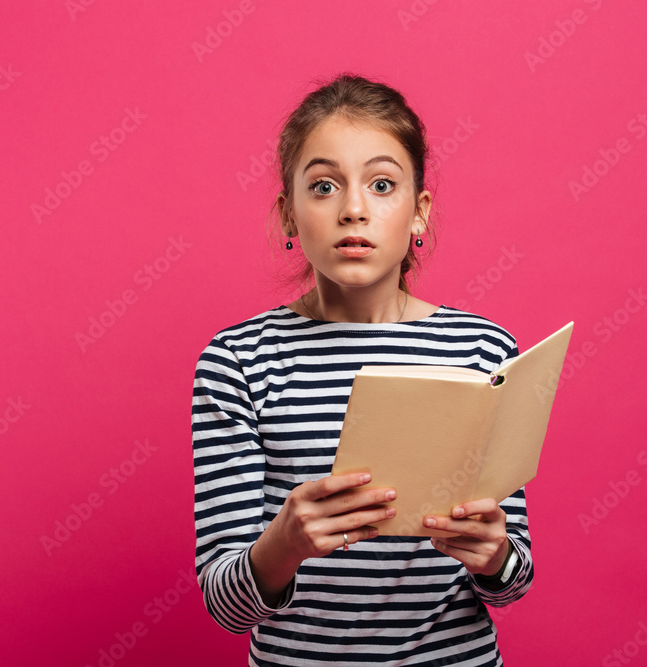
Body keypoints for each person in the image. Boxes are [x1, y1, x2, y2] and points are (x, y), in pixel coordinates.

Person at [192, 72, 533, 666]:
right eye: (323, 186)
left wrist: (494, 554)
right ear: (290, 215)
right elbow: (226, 607)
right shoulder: (237, 360)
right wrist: (283, 544)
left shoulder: (484, 350)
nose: (354, 209)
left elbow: (515, 579)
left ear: (419, 213)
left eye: (381, 184)